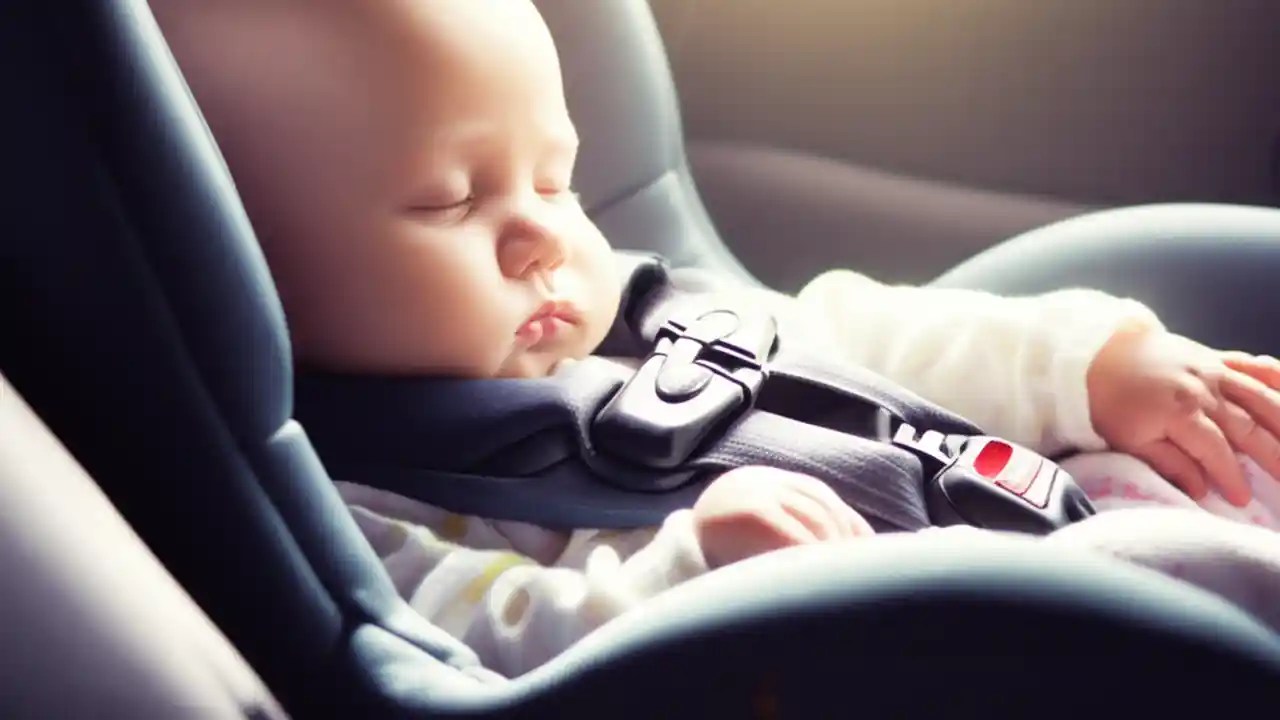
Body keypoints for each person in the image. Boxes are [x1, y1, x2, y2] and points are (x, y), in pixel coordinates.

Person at [149, 0, 1280, 678]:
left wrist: (1084, 366)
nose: (542, 236)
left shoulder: (652, 321)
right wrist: (694, 571)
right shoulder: (364, 508)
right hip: (939, 649)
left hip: (1053, 520)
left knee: (1223, 469)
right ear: (248, 269)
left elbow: (869, 341)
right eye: (452, 203)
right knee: (1181, 580)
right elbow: (493, 644)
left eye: (556, 180)